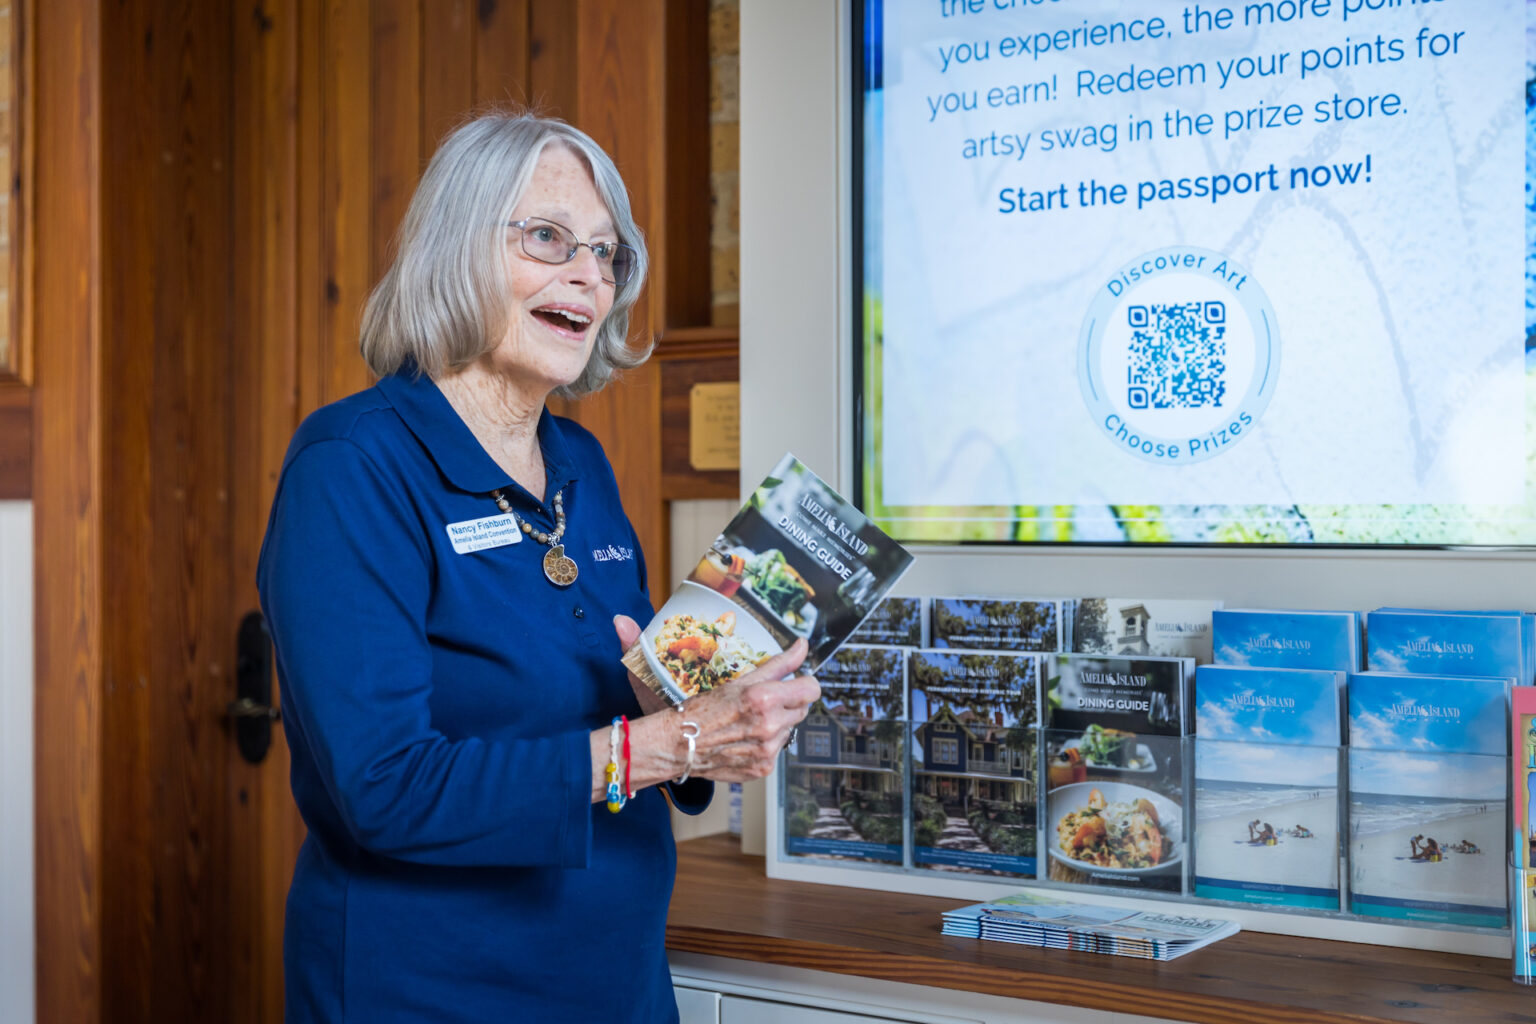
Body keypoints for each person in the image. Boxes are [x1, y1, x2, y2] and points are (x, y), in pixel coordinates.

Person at [257, 111, 821, 1023]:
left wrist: (704, 713)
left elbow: (606, 707)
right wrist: (667, 745)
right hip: (431, 991)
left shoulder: (579, 462)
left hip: (617, 980)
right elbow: (384, 788)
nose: (589, 275)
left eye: (607, 253)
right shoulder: (351, 466)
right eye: (549, 238)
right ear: (454, 249)